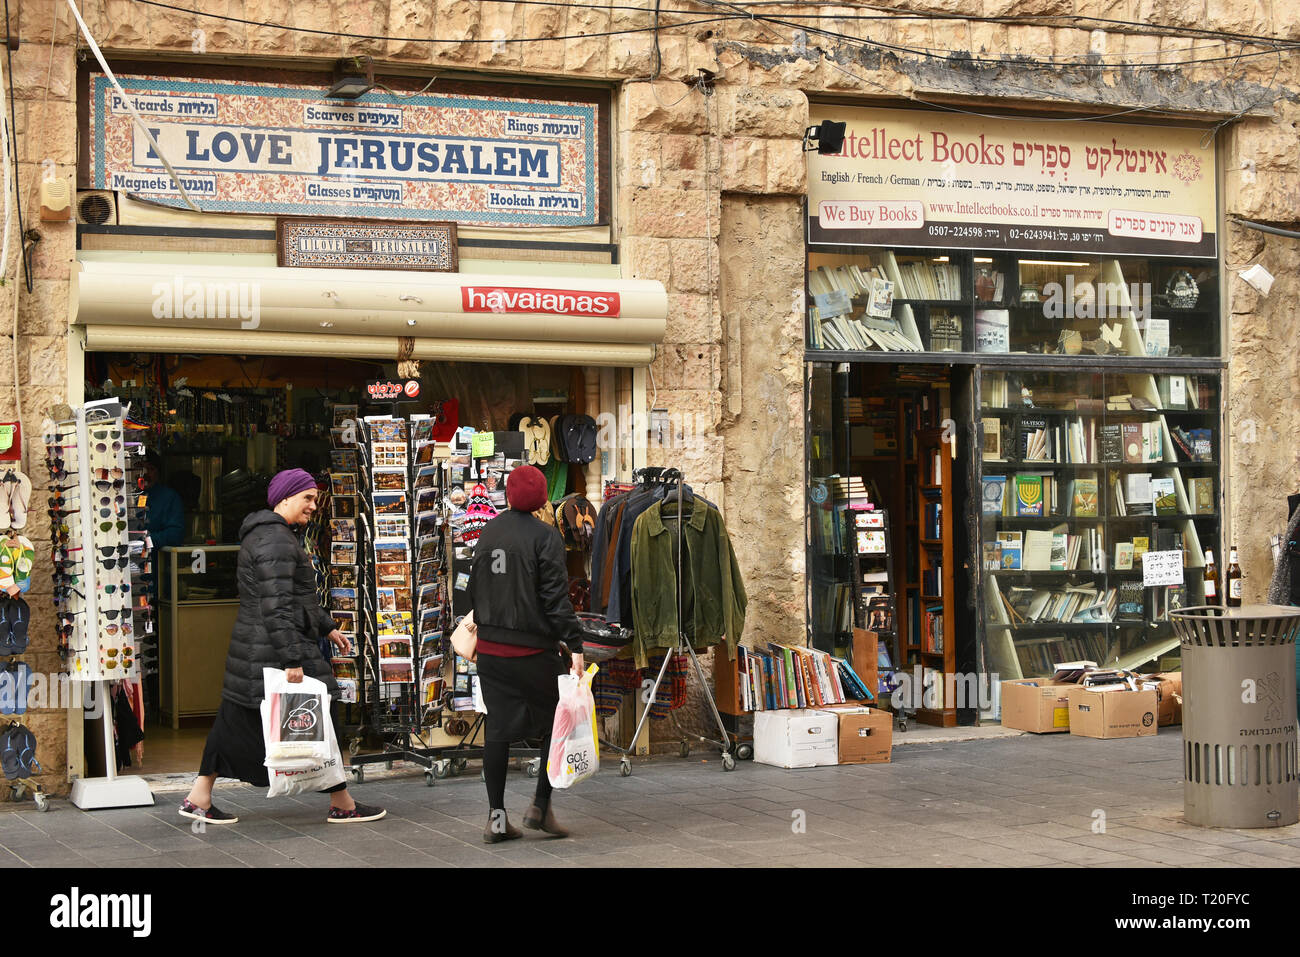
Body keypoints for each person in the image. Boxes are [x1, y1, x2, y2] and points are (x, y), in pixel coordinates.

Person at [179, 468, 384, 825]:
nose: (313, 506)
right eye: (307, 498)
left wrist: (327, 626)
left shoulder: (272, 536)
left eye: (315, 499)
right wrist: (292, 658)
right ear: (285, 498)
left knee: (233, 723)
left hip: (255, 650)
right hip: (273, 650)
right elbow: (277, 606)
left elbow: (291, 596)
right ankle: (342, 802)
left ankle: (200, 796)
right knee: (322, 715)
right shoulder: (277, 540)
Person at [467, 464, 584, 843]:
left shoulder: (488, 531)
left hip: (491, 652)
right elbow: (555, 598)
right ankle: (540, 805)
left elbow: (472, 588)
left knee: (498, 730)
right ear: (541, 496)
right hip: (532, 650)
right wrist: (575, 645)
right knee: (555, 722)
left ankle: (496, 819)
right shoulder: (545, 536)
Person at [140, 452, 185, 551]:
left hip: (157, 562)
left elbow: (175, 535)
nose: (145, 473)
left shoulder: (169, 497)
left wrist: (143, 542)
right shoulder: (122, 497)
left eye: (151, 469)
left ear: (158, 473)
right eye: (141, 468)